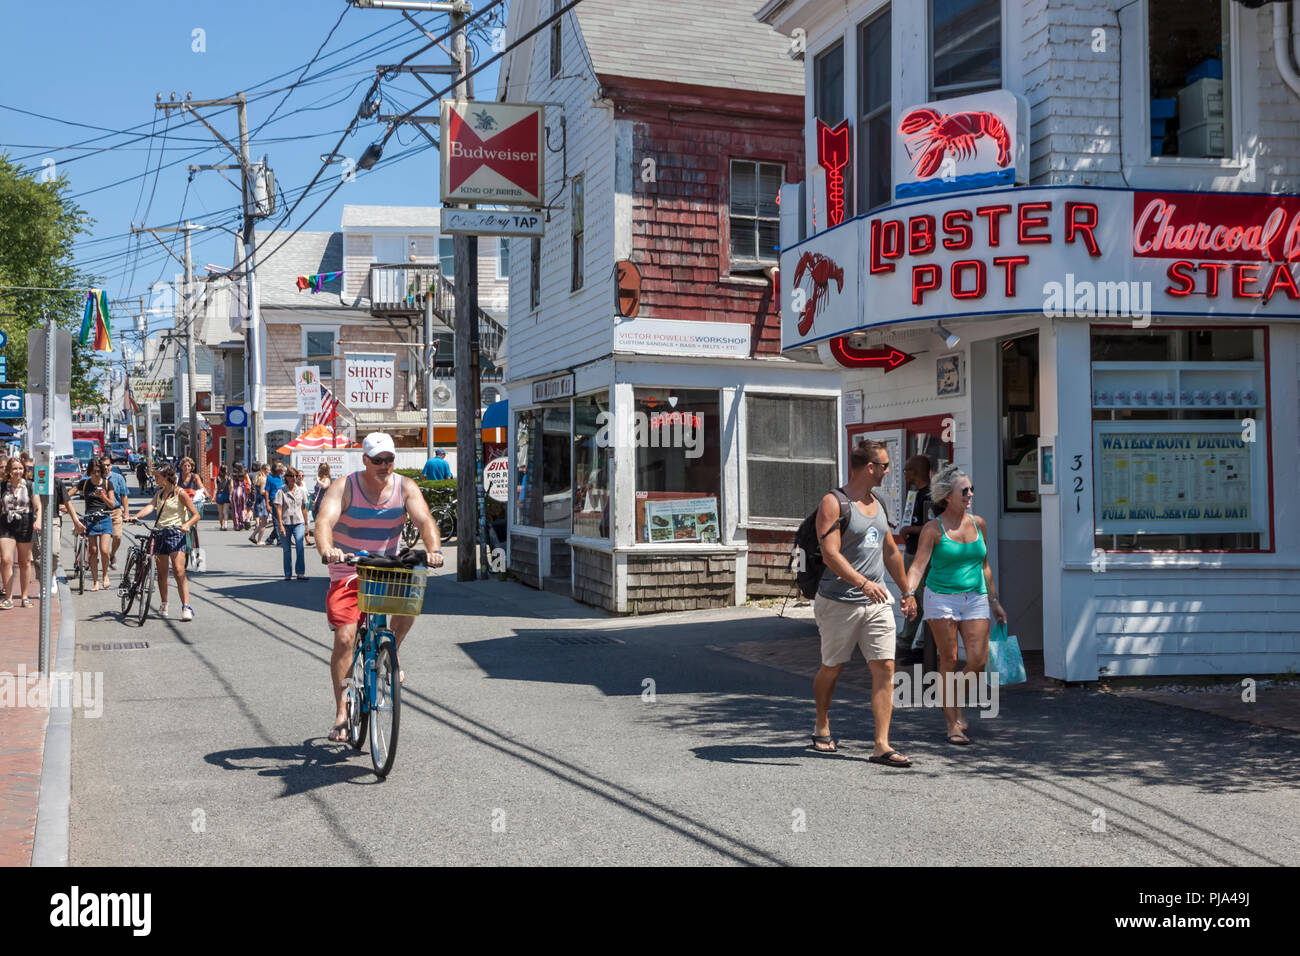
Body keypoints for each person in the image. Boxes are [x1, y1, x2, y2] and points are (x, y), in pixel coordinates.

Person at [315, 433, 444, 742]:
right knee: (345, 639)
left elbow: (425, 520)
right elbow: (323, 522)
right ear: (365, 461)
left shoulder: (405, 487)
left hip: (386, 569)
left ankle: (389, 656)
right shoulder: (344, 486)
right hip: (348, 569)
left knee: (411, 598)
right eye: (378, 460)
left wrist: (434, 549)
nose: (385, 465)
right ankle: (343, 713)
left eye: (389, 459)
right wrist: (327, 548)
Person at [812, 439, 917, 768]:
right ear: (870, 467)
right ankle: (821, 722)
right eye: (884, 465)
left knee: (885, 668)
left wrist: (906, 590)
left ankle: (881, 745)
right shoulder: (834, 502)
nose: (888, 471)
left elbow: (888, 550)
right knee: (833, 667)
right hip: (838, 602)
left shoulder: (879, 502)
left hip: (876, 603)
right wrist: (862, 582)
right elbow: (830, 554)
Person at [904, 464, 1007, 745]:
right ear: (947, 496)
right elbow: (918, 567)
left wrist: (994, 601)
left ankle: (949, 698)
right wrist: (908, 593)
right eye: (965, 490)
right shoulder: (933, 530)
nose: (970, 494)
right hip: (941, 599)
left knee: (977, 661)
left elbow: (984, 566)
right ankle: (952, 722)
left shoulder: (979, 523)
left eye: (971, 489)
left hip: (974, 598)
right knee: (948, 659)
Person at [131, 465, 200, 621]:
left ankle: (186, 606)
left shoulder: (180, 493)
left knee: (178, 570)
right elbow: (150, 506)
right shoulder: (160, 493)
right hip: (160, 533)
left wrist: (187, 524)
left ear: (167, 477)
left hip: (176, 533)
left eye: (158, 477)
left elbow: (195, 515)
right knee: (162, 573)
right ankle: (164, 603)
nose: (155, 479)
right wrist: (137, 516)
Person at [897, 455, 933, 664]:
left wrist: (911, 529)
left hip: (923, 555)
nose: (905, 475)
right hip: (910, 551)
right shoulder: (914, 494)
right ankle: (906, 643)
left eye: (906, 471)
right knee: (912, 599)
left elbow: (933, 526)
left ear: (915, 471)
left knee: (922, 599)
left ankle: (921, 646)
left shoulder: (929, 496)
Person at [0, 457, 41, 608]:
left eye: (20, 469)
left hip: (25, 523)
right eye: (15, 469)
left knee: (24, 563)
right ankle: (8, 597)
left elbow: (38, 506)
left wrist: (38, 520)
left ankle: (24, 596)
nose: (18, 472)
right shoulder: (2, 486)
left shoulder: (30, 485)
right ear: (9, 471)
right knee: (6, 559)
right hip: (6, 524)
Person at [75, 458, 117, 591]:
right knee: (93, 551)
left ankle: (105, 575)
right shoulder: (85, 483)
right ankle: (95, 581)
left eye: (99, 471)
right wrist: (62, 504)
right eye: (93, 471)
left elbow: (112, 504)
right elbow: (68, 494)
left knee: (104, 550)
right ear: (89, 471)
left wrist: (102, 497)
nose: (96, 474)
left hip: (104, 517)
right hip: (90, 518)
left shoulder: (107, 484)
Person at [274, 467, 310, 581]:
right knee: (287, 549)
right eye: (291, 476)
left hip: (299, 522)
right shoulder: (281, 491)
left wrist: (306, 524)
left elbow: (304, 508)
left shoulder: (301, 491)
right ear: (286, 478)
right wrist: (280, 525)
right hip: (286, 522)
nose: (294, 478)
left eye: (295, 476)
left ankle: (300, 572)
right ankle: (288, 574)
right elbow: (279, 509)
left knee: (300, 546)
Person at [100, 455, 131, 571]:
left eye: (108, 465)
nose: (106, 467)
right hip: (102, 512)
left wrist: (126, 512)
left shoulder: (118, 478)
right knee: (104, 540)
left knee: (117, 536)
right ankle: (105, 557)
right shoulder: (97, 478)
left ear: (111, 466)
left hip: (115, 511)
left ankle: (112, 554)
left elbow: (124, 495)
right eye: (103, 466)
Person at [177, 457, 204, 551]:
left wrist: (207, 495)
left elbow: (201, 488)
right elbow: (173, 488)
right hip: (181, 503)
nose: (187, 468)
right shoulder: (177, 477)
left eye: (189, 466)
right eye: (185, 466)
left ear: (192, 467)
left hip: (192, 503)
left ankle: (197, 549)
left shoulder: (195, 477)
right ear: (181, 467)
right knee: (180, 524)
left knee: (194, 526)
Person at [307, 462, 334, 547]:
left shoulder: (327, 479)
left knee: (322, 524)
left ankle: (324, 542)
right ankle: (320, 541)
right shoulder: (321, 478)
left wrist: (318, 481)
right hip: (316, 503)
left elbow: (325, 486)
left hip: (323, 504)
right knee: (317, 524)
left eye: (320, 469)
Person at [248, 462, 270, 544]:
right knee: (264, 522)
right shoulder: (263, 479)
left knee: (263, 522)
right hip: (262, 501)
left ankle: (253, 536)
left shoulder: (258, 477)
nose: (269, 472)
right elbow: (262, 491)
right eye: (268, 470)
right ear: (264, 470)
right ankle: (259, 540)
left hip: (258, 501)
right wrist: (268, 491)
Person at [264, 462, 285, 546]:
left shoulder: (281, 477)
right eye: (281, 466)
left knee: (280, 521)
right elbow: (266, 491)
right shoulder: (270, 478)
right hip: (274, 501)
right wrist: (267, 504)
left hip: (282, 500)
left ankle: (270, 539)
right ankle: (280, 540)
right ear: (277, 469)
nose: (283, 468)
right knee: (277, 521)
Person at [215, 465, 233, 531]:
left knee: (220, 513)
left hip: (219, 494)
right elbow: (231, 487)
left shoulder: (217, 478)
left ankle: (221, 525)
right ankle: (225, 525)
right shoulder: (229, 479)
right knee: (225, 512)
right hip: (226, 494)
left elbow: (215, 488)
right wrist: (230, 495)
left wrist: (213, 496)